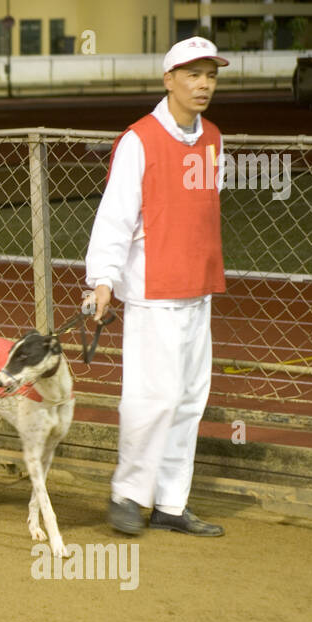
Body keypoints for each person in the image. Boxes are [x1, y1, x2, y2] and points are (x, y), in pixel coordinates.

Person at [86, 36, 229, 538]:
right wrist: (103, 279)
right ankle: (127, 494)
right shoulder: (139, 139)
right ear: (168, 80)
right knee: (152, 397)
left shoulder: (213, 136)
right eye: (193, 74)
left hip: (198, 286)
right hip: (153, 289)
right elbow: (115, 216)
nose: (203, 83)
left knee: (190, 398)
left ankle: (171, 503)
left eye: (210, 74)